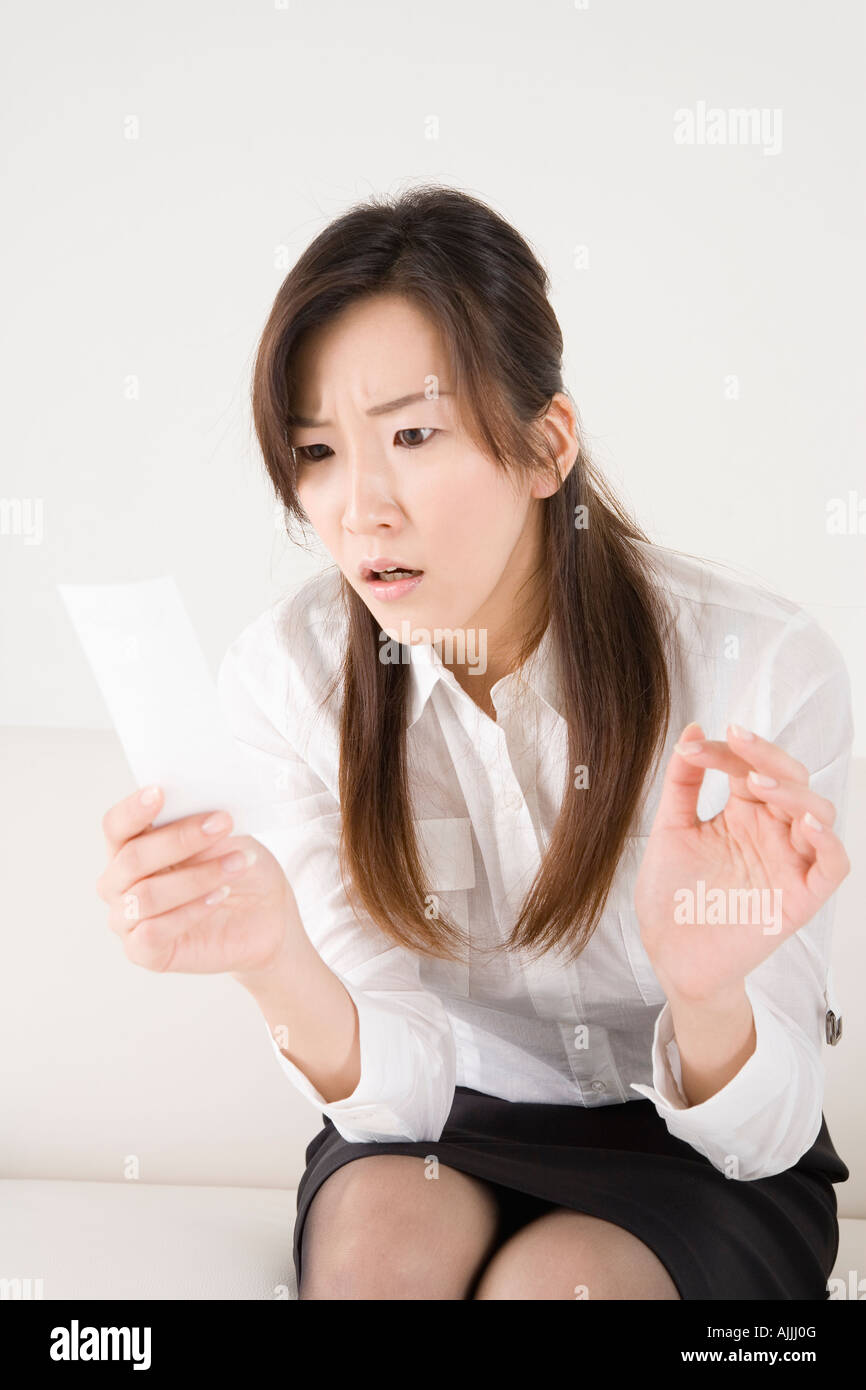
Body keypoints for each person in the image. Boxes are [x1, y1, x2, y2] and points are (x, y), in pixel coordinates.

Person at [97, 185, 853, 1300]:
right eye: (316, 451)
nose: (359, 506)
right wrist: (274, 959)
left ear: (545, 446)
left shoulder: (756, 667)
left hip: (695, 1150)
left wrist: (702, 988)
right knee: (381, 1268)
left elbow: (762, 1130)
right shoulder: (289, 675)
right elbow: (393, 1096)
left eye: (410, 434)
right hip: (431, 1126)